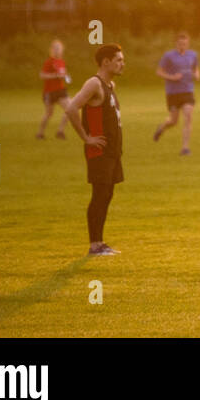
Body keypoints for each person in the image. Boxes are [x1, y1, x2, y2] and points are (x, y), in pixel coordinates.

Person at [63, 44, 126, 256]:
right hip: (99, 152)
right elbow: (71, 108)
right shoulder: (94, 83)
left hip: (111, 152)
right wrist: (86, 138)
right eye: (118, 60)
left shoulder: (110, 85)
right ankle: (95, 245)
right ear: (105, 62)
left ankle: (100, 243)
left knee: (107, 194)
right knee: (99, 195)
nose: (122, 63)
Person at [153, 32, 200, 155]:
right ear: (176, 43)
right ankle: (161, 128)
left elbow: (195, 68)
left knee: (188, 116)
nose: (182, 46)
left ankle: (185, 148)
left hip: (188, 91)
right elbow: (159, 72)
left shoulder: (193, 55)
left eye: (184, 43)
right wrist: (172, 77)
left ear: (188, 43)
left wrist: (197, 75)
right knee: (174, 121)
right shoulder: (168, 56)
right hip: (173, 93)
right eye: (180, 43)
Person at [37, 39, 72, 139]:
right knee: (49, 114)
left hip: (60, 91)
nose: (57, 50)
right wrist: (55, 75)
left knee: (70, 109)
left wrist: (66, 77)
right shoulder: (48, 62)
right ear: (51, 50)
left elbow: (62, 74)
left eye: (59, 48)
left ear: (62, 50)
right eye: (55, 48)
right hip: (49, 92)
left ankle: (60, 131)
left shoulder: (61, 62)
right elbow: (42, 75)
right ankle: (40, 133)